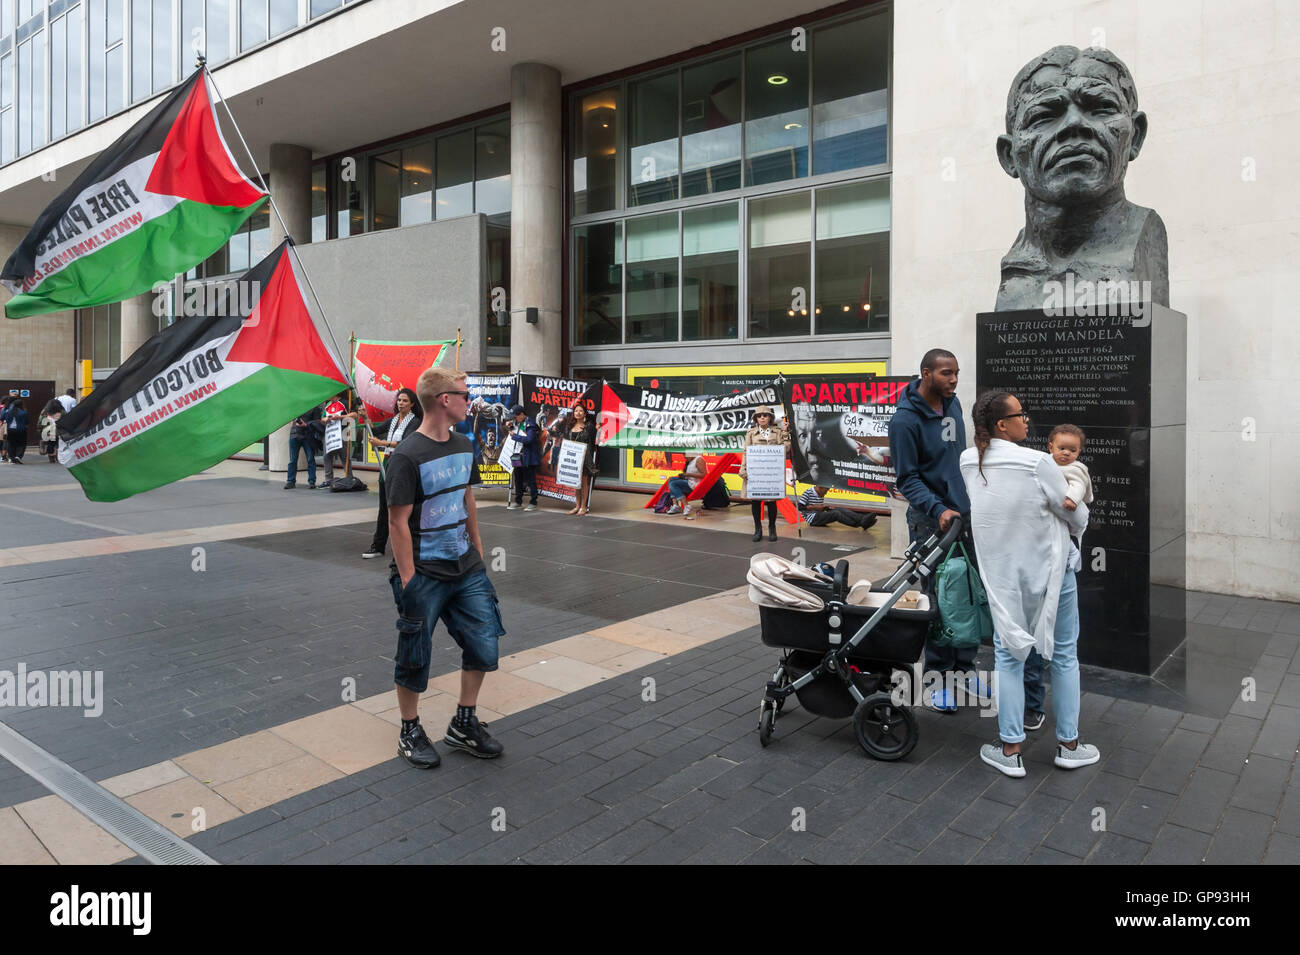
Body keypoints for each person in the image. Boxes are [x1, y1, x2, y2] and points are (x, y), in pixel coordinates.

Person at [961, 390, 1097, 778]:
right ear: (1002, 424)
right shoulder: (1037, 462)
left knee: (1008, 658)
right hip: (1052, 573)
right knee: (1065, 655)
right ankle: (1069, 746)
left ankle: (1010, 748)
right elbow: (1072, 513)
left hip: (1003, 578)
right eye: (1021, 415)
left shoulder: (968, 460)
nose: (1028, 421)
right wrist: (1080, 512)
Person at [387, 366, 504, 767]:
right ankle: (409, 729)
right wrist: (408, 581)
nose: (469, 401)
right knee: (415, 654)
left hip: (466, 566)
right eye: (464, 394)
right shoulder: (407, 456)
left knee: (484, 642)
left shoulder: (462, 445)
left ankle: (464, 723)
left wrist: (478, 547)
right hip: (425, 572)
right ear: (444, 401)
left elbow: (466, 496)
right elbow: (397, 522)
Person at [888, 348, 979, 712]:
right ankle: (938, 678)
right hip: (932, 521)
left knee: (968, 594)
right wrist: (939, 509)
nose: (954, 379)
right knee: (941, 600)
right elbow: (906, 479)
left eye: (956, 372)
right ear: (926, 373)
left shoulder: (952, 404)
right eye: (946, 373)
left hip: (965, 516)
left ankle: (965, 670)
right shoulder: (904, 421)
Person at [361, 387, 420, 559]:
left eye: (405, 401)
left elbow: (405, 442)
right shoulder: (393, 420)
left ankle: (408, 545)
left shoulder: (415, 422)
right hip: (388, 465)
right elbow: (375, 430)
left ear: (412, 404)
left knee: (402, 509)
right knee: (384, 509)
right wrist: (365, 417)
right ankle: (378, 546)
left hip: (403, 467)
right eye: (399, 400)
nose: (400, 403)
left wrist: (382, 443)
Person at [740, 405, 790, 543]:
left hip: (772, 472)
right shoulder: (750, 433)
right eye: (759, 415)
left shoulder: (778, 432)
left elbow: (785, 449)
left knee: (772, 501)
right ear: (756, 418)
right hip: (755, 471)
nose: (762, 417)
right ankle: (758, 529)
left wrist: (785, 433)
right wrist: (743, 468)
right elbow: (746, 451)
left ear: (770, 418)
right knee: (755, 500)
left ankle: (772, 528)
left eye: (765, 415)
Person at [796, 485, 878, 533]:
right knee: (836, 514)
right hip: (812, 518)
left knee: (840, 509)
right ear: (820, 487)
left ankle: (862, 519)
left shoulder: (820, 493)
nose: (826, 492)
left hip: (819, 514)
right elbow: (800, 507)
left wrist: (826, 508)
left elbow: (820, 508)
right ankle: (860, 523)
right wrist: (815, 507)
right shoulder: (808, 492)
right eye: (826, 490)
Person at [564, 403, 598, 516]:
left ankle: (583, 506)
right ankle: (577, 505)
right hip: (573, 459)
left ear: (584, 413)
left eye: (580, 411)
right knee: (576, 483)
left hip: (585, 459)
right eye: (576, 411)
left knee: (584, 483)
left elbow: (594, 443)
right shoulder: (570, 426)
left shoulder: (589, 427)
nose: (578, 413)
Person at [319, 391, 358, 490]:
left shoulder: (345, 402)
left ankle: (349, 478)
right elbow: (322, 418)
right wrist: (326, 419)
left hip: (343, 432)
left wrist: (339, 417)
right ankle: (328, 480)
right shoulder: (327, 405)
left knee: (344, 456)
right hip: (330, 433)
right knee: (327, 456)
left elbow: (354, 415)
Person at [506, 404, 540, 511]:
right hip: (517, 455)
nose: (514, 418)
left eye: (515, 416)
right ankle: (518, 501)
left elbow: (529, 439)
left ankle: (533, 502)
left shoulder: (530, 424)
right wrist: (510, 427)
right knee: (518, 478)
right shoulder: (517, 423)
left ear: (521, 414)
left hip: (528, 456)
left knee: (531, 480)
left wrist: (514, 436)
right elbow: (514, 429)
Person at [285, 404, 321, 489]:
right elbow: (290, 419)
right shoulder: (295, 405)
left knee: (310, 459)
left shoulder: (315, 406)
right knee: (292, 460)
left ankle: (312, 481)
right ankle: (290, 481)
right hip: (294, 435)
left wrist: (306, 424)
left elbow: (317, 422)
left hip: (307, 436)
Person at [665, 454, 707, 519]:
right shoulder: (690, 460)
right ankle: (675, 505)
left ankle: (686, 505)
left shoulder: (699, 460)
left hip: (695, 485)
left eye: (685, 455)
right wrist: (684, 475)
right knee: (671, 479)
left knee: (673, 484)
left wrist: (688, 474)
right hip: (690, 481)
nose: (684, 457)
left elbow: (704, 475)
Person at [4, 399, 28, 464]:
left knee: (11, 444)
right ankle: (18, 456)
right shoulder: (24, 413)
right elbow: (26, 422)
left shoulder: (8, 412)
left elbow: (4, 418)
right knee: (22, 444)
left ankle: (12, 457)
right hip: (21, 430)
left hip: (10, 430)